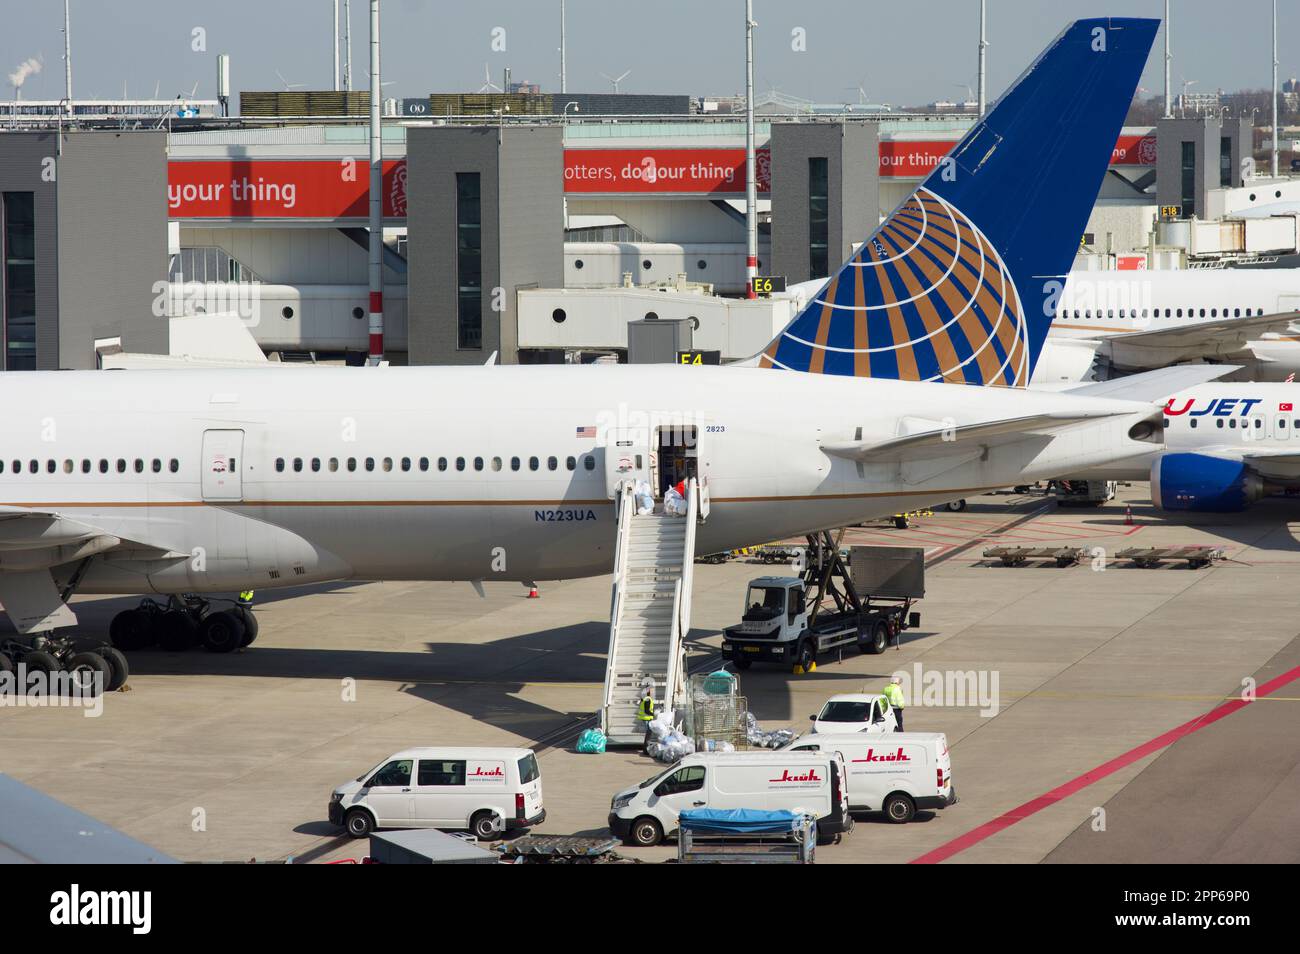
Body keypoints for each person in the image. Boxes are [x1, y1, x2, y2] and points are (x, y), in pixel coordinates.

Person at [637, 688, 657, 753]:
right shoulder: (648, 699)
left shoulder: (645, 698)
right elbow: (646, 711)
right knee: (648, 734)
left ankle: (646, 749)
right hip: (646, 718)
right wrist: (654, 714)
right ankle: (645, 750)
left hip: (646, 718)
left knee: (648, 734)